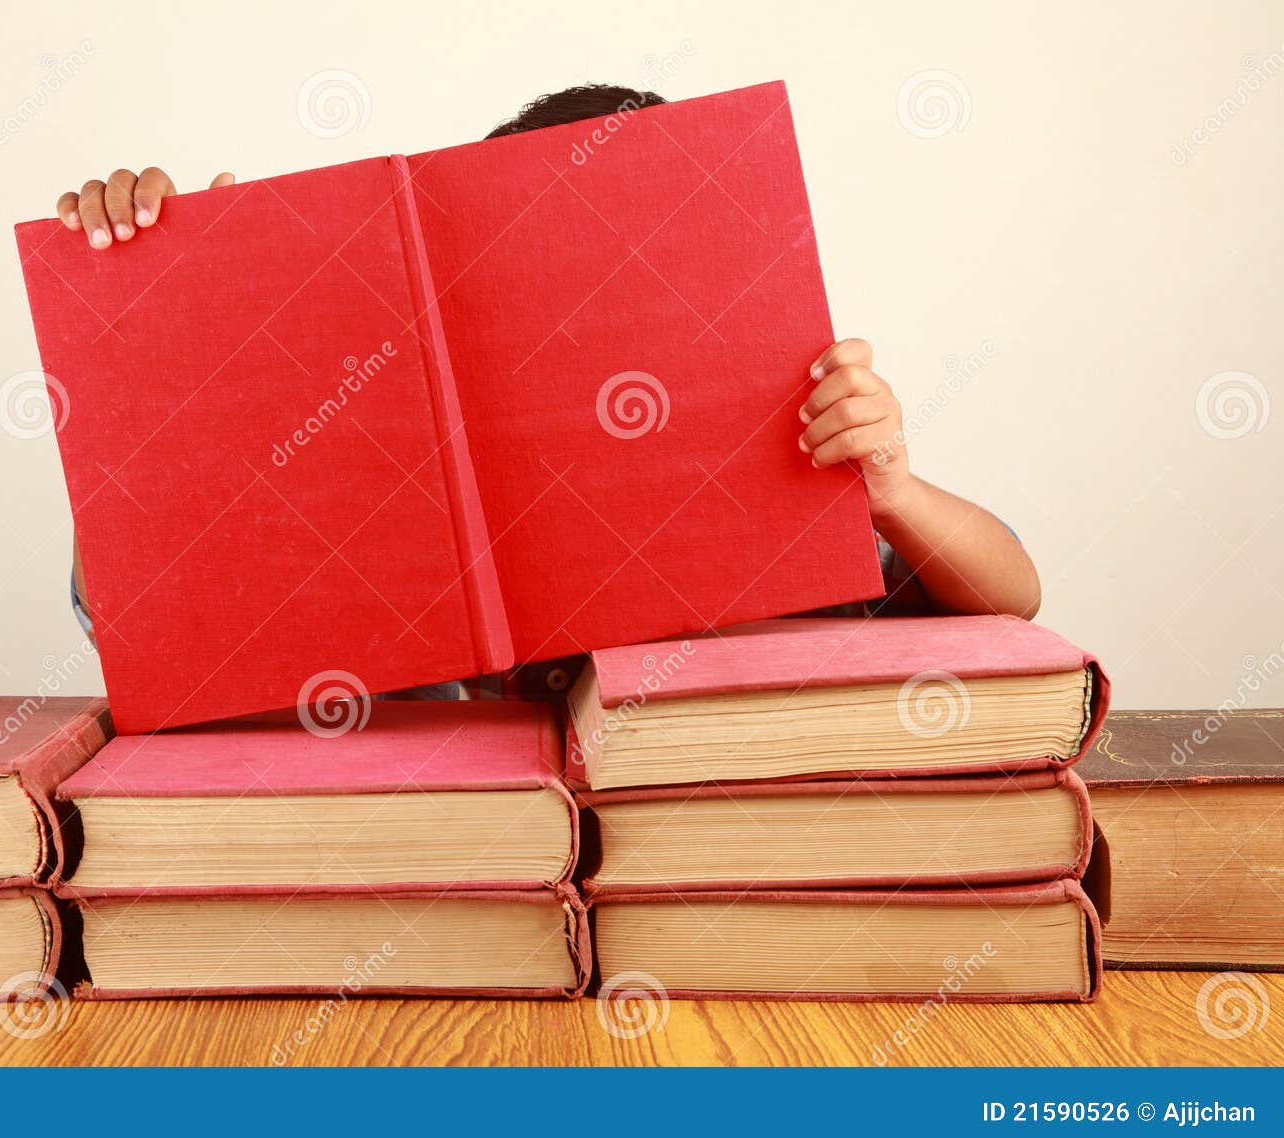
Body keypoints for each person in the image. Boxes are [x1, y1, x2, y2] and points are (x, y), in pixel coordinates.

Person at [55, 84, 1041, 697]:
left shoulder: (778, 471)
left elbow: (1014, 597)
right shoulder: (423, 537)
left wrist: (894, 491)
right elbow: (134, 616)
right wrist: (161, 347)